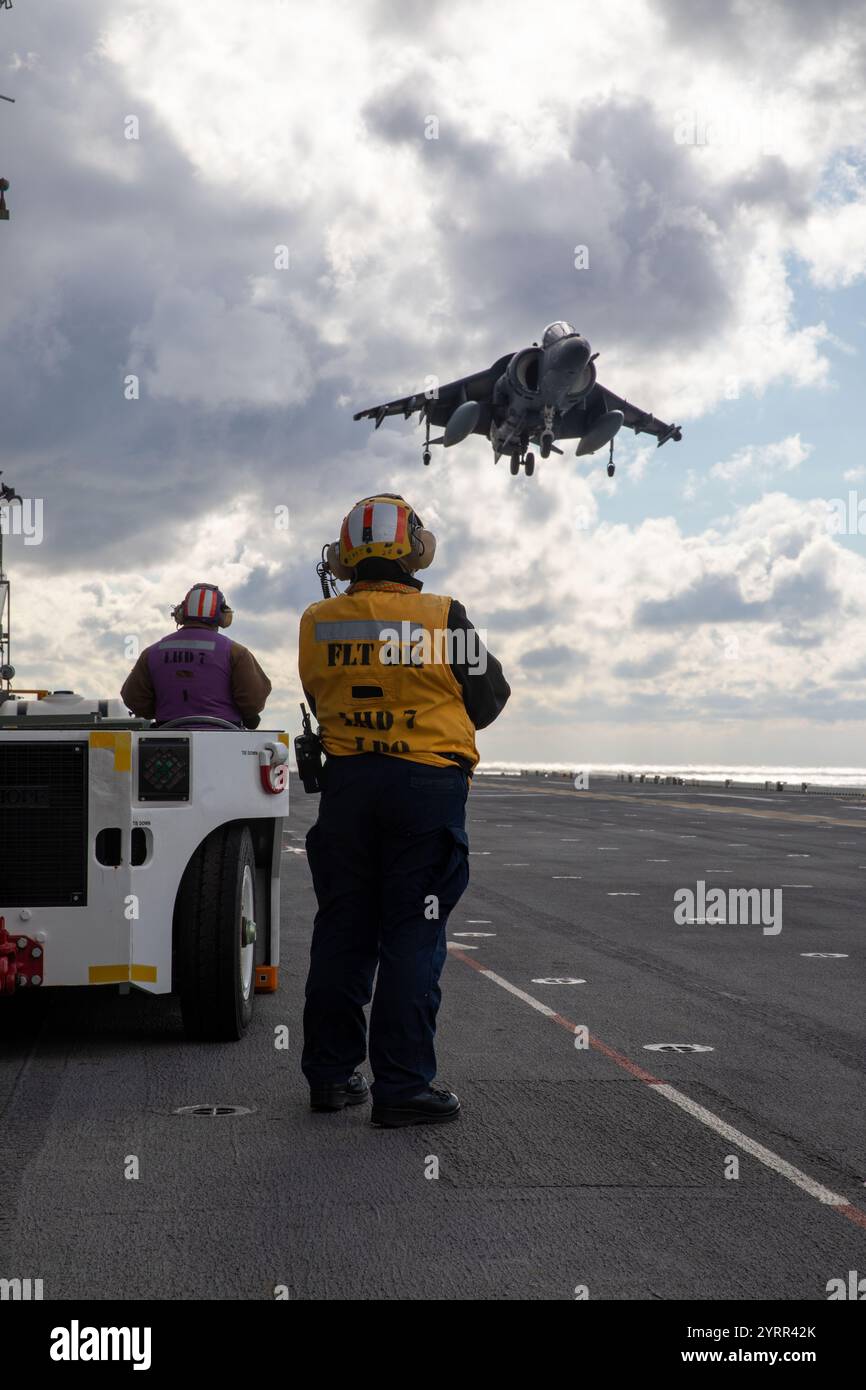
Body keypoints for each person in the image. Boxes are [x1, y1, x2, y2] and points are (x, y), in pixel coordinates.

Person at [298, 493, 510, 1128]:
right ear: (412, 547)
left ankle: (332, 1078)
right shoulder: (443, 615)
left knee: (343, 932)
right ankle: (403, 1086)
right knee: (413, 936)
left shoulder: (317, 619)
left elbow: (315, 690)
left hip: (349, 788)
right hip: (425, 789)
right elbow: (491, 696)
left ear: (347, 552)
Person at [121, 583, 271, 728]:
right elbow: (253, 702)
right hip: (225, 742)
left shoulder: (151, 654)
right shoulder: (236, 653)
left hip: (167, 738)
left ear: (180, 614)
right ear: (222, 616)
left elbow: (134, 699)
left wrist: (166, 710)